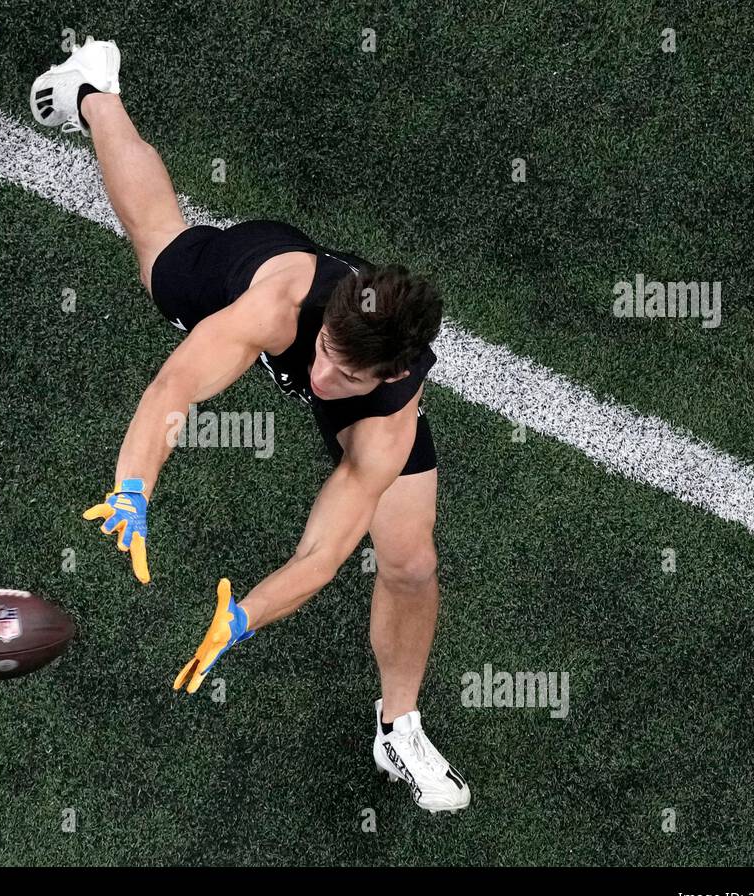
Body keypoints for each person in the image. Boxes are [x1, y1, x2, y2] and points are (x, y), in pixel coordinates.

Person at [31, 38, 468, 813]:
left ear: (392, 373)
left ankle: (398, 725)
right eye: (327, 355)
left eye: (349, 374)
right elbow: (173, 389)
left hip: (362, 417)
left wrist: (244, 617)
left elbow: (323, 553)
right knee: (160, 254)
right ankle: (93, 89)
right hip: (259, 265)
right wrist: (133, 489)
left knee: (411, 563)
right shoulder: (277, 302)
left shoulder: (385, 417)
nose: (324, 377)